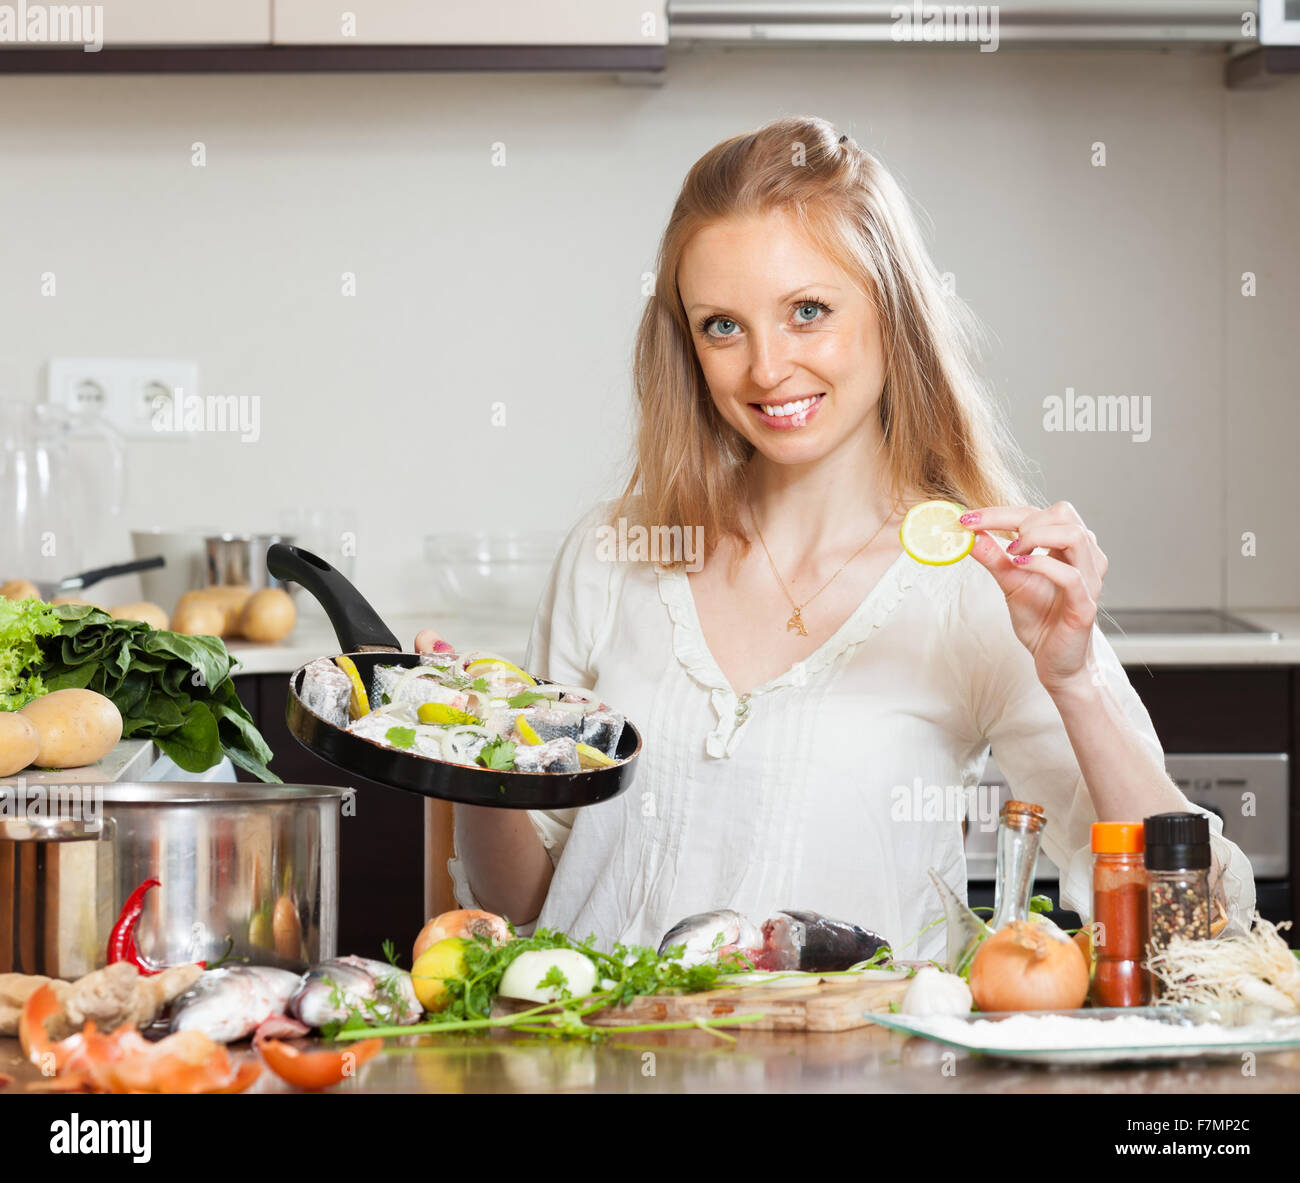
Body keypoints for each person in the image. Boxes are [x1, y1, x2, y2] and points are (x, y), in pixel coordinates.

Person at [417, 115, 1254, 960]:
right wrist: (468, 754)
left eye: (807, 311)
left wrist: (1072, 680)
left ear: (893, 312)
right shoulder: (616, 552)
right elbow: (521, 906)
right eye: (722, 326)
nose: (767, 368)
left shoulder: (978, 582)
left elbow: (1200, 929)